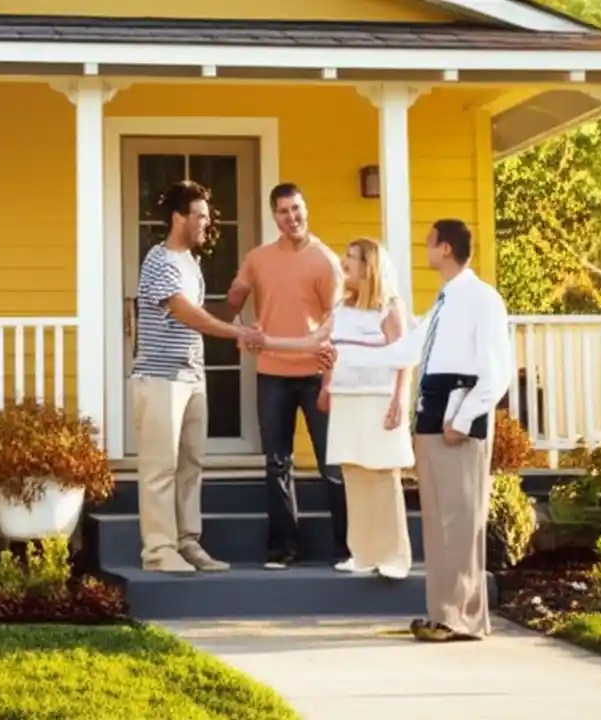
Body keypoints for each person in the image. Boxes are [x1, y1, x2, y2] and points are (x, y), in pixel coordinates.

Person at [326, 219, 512, 641]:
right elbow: (408, 350)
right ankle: (443, 614)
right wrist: (346, 362)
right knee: (439, 523)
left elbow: (495, 371)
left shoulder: (482, 299)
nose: (424, 248)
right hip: (432, 419)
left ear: (445, 248)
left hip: (456, 421)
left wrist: (462, 420)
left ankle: (461, 618)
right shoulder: (443, 302)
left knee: (461, 521)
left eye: (429, 242)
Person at [131, 181, 328, 575]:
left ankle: (187, 542)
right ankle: (158, 550)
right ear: (178, 218)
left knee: (190, 464)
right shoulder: (160, 260)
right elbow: (187, 313)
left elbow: (210, 313)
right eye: (200, 215)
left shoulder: (191, 263)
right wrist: (240, 333)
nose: (207, 223)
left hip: (191, 375)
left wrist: (238, 319)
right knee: (160, 468)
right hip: (159, 377)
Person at [225, 183, 346, 570]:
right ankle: (282, 548)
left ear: (305, 209)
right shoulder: (258, 258)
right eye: (283, 211)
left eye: (296, 209)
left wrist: (328, 378)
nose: (291, 218)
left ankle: (347, 546)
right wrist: (239, 313)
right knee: (277, 462)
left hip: (315, 375)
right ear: (273, 216)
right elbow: (234, 302)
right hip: (272, 374)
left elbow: (336, 324)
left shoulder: (325, 261)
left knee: (332, 462)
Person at [319, 238, 414, 580]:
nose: (344, 261)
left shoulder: (390, 307)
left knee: (382, 475)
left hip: (378, 399)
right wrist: (326, 384)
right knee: (354, 473)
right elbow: (322, 345)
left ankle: (394, 557)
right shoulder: (341, 309)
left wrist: (399, 400)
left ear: (368, 265)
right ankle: (361, 554)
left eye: (351, 257)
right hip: (347, 400)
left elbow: (404, 358)